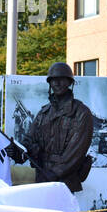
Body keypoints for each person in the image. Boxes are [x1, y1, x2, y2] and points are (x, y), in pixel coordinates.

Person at [14, 62, 95, 192]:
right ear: (50, 83)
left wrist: (55, 173)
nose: (57, 83)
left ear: (69, 82)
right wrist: (18, 152)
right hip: (41, 179)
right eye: (53, 80)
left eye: (61, 79)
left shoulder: (81, 113)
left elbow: (76, 152)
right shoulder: (43, 113)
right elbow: (29, 140)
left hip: (65, 183)